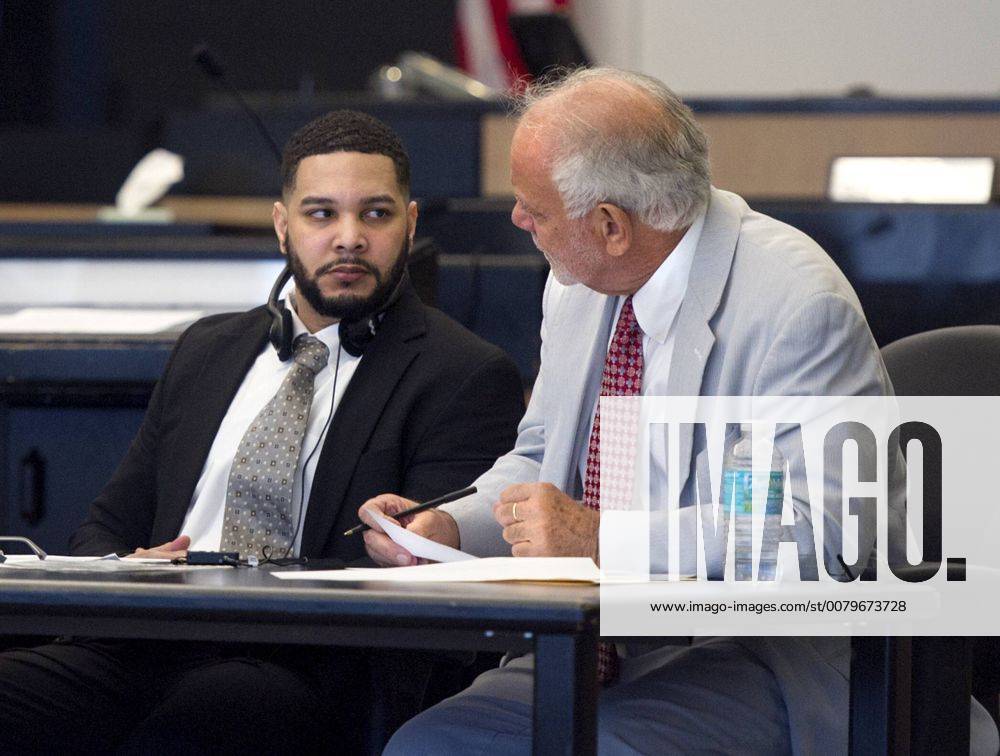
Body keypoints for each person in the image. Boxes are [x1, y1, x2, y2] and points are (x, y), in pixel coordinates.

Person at [360, 68, 999, 755]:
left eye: (535, 210)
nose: (519, 220)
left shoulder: (797, 302)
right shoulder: (578, 285)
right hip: (605, 643)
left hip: (769, 655)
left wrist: (603, 539)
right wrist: (445, 528)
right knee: (430, 743)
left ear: (609, 225)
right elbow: (540, 461)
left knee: (598, 747)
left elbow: (822, 538)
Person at [0, 110, 525, 753]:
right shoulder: (208, 348)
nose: (349, 238)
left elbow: (434, 582)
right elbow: (108, 524)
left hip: (301, 666)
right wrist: (125, 565)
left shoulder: (464, 373)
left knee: (221, 709)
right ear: (284, 227)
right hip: (147, 641)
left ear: (411, 225)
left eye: (376, 215)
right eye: (322, 214)